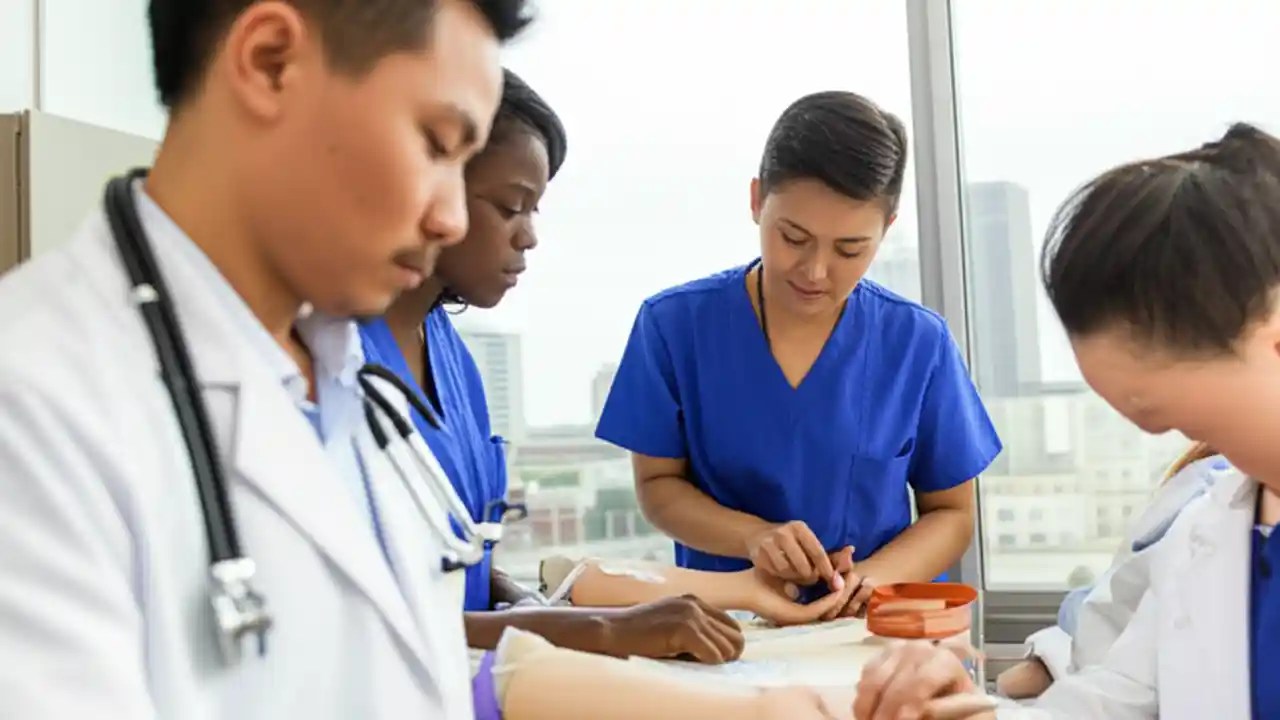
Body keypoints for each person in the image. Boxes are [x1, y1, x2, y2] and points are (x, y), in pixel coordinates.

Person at [0, 1, 531, 718]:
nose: (452, 218)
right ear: (271, 61)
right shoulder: (33, 404)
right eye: (436, 145)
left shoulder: (357, 394)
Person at [854, 123, 1280, 720]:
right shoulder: (1206, 533)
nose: (1189, 446)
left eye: (1176, 417)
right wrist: (973, 713)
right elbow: (1119, 698)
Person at [359, 67, 774, 663]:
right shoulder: (337, 361)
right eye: (511, 207)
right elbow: (373, 621)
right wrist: (601, 631)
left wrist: (532, 606)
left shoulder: (453, 361)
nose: (528, 237)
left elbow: (466, 563)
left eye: (535, 210)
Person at [594, 90, 1002, 616]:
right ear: (756, 200)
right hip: (726, 627)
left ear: (886, 229)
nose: (815, 271)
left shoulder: (918, 342)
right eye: (793, 237)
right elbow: (658, 486)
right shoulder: (673, 326)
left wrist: (872, 581)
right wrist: (753, 537)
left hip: (876, 628)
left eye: (850, 249)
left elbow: (951, 513)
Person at [997, 443, 1228, 698]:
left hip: (1106, 653)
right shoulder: (1206, 492)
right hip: (1110, 654)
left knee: (1077, 606)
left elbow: (1109, 637)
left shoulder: (1205, 496)